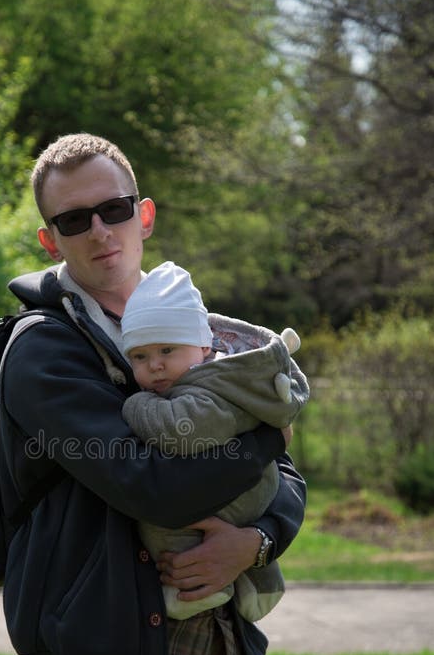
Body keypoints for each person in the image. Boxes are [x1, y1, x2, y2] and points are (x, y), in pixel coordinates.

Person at [0, 132, 306, 655]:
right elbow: (147, 484)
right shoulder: (43, 352)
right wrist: (264, 427)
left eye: (114, 209)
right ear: (49, 238)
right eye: (75, 220)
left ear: (144, 214)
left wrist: (257, 542)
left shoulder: (198, 333)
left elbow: (290, 478)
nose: (99, 231)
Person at [120, 260, 309, 622]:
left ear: (203, 347)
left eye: (167, 351)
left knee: (164, 524)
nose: (155, 365)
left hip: (235, 496)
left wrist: (135, 402)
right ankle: (260, 582)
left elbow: (178, 430)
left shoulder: (208, 388)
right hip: (247, 490)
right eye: (140, 357)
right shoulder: (227, 379)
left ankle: (187, 590)